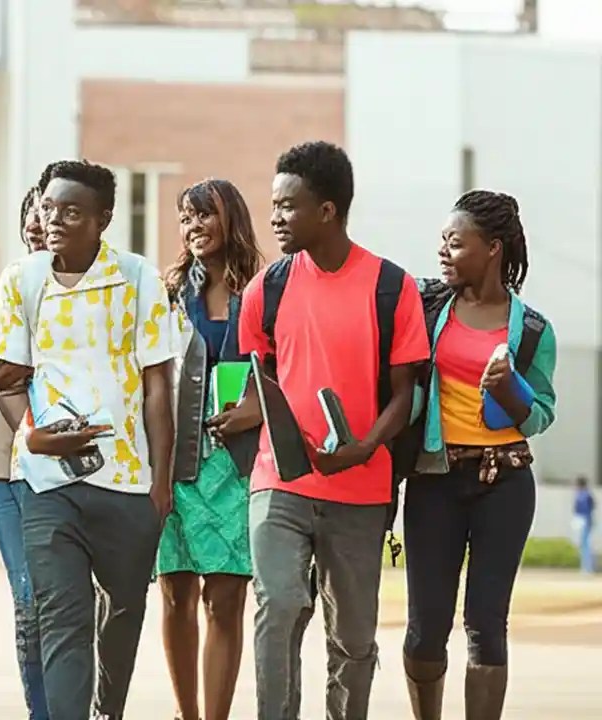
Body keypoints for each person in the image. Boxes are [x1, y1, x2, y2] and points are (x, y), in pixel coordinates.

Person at [239, 141, 429, 720]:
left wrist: (365, 447)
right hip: (281, 480)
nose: (274, 217)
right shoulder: (265, 288)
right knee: (277, 604)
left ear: (328, 210)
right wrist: (241, 413)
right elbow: (251, 380)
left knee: (352, 636)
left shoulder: (391, 288)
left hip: (361, 488)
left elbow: (406, 394)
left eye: (288, 206)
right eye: (273, 205)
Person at [0, 160, 176, 720]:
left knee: (122, 613)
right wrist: (31, 433)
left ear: (103, 219)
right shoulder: (20, 279)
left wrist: (160, 483)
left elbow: (158, 386)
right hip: (46, 484)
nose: (54, 220)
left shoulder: (138, 277)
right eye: (48, 208)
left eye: (71, 211)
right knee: (62, 617)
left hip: (127, 481)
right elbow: (6, 376)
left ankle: (107, 711)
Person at [402, 190, 557, 720]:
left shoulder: (533, 329)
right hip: (435, 479)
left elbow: (541, 414)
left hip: (507, 483)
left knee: (485, 624)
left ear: (492, 248)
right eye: (442, 241)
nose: (443, 251)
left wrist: (511, 387)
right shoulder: (427, 307)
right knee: (426, 629)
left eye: (455, 242)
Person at [156, 178, 263, 720]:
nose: (193, 227)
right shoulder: (170, 291)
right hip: (177, 457)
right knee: (175, 592)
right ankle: (185, 713)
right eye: (185, 217)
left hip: (237, 462)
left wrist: (257, 408)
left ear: (231, 221)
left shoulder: (266, 291)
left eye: (204, 215)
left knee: (225, 598)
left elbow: (285, 366)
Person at [0, 184, 50, 720]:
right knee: (29, 602)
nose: (39, 222)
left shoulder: (103, 300)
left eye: (50, 211)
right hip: (5, 473)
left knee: (71, 605)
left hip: (79, 474)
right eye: (31, 212)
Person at [574, 477, 595, 575]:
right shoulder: (582, 495)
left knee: (586, 545)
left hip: (585, 520)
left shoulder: (585, 495)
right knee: (584, 545)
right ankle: (586, 567)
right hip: (583, 519)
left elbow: (590, 508)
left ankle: (587, 567)